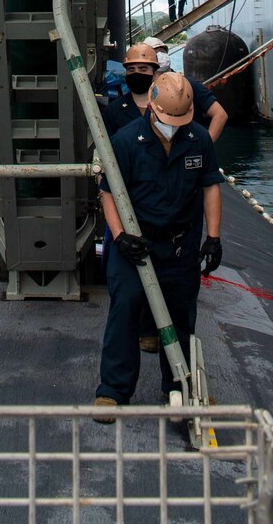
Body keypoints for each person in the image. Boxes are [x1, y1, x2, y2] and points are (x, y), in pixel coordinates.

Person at [93, 72, 222, 419]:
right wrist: (120, 236)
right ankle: (113, 390)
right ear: (152, 106)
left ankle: (178, 386)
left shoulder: (198, 140)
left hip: (179, 245)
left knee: (181, 315)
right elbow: (108, 193)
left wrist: (213, 237)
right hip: (136, 242)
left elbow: (210, 186)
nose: (175, 127)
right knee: (125, 310)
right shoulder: (124, 141)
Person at [133, 40, 228, 142]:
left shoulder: (189, 84)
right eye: (155, 51)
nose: (160, 54)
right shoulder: (143, 87)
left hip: (188, 146)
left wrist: (205, 146)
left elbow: (220, 115)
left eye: (162, 51)